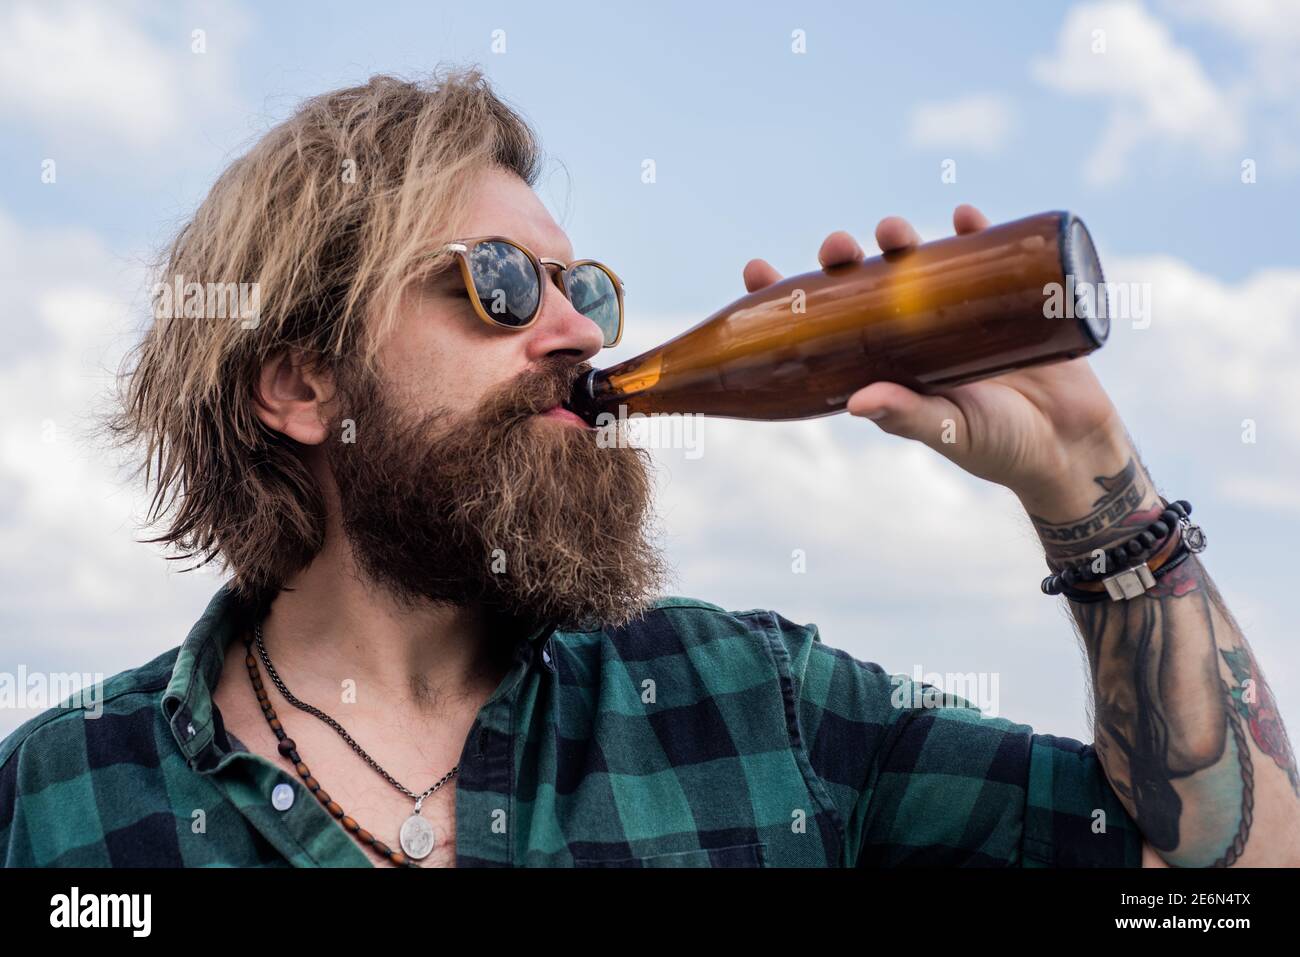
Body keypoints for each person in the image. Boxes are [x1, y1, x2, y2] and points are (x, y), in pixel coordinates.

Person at [2, 69, 1295, 868]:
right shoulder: (64, 792)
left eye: (586, 289)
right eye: (497, 284)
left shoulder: (760, 706)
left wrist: (1085, 481)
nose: (572, 329)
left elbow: (1228, 864)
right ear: (300, 383)